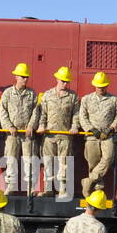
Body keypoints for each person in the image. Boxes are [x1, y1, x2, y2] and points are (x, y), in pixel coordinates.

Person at [73, 71, 117, 198]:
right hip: (91, 136)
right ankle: (97, 190)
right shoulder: (86, 99)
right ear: (94, 85)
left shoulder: (115, 100)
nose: (101, 88)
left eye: (103, 86)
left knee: (108, 158)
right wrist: (90, 129)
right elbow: (82, 116)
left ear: (107, 86)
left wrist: (111, 128)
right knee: (93, 162)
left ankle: (88, 181)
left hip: (108, 135)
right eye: (99, 86)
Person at [34, 66, 78, 198]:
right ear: (57, 79)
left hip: (65, 135)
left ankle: (62, 189)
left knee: (63, 163)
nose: (65, 83)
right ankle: (48, 189)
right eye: (63, 80)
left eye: (67, 81)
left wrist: (75, 126)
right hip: (49, 135)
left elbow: (76, 114)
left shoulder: (73, 96)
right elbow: (43, 113)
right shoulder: (47, 95)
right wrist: (41, 126)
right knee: (48, 162)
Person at [0, 63, 38, 194]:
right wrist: (9, 126)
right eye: (23, 77)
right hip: (12, 134)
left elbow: (35, 112)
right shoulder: (8, 93)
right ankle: (11, 185)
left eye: (27, 77)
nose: (25, 79)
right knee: (11, 159)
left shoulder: (32, 94)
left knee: (29, 160)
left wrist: (31, 126)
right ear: (16, 77)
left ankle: (30, 188)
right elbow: (2, 111)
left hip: (27, 134)